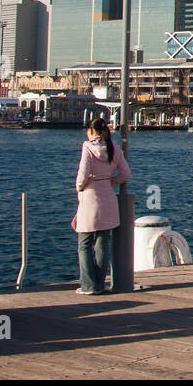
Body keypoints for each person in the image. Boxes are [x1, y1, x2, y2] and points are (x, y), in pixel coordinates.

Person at [73, 116, 131, 295]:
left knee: (84, 244)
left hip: (90, 198)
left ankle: (88, 285)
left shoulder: (88, 147)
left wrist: (79, 186)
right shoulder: (114, 149)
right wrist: (111, 181)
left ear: (91, 131)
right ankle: (99, 284)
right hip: (108, 197)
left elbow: (83, 175)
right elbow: (126, 173)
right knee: (102, 243)